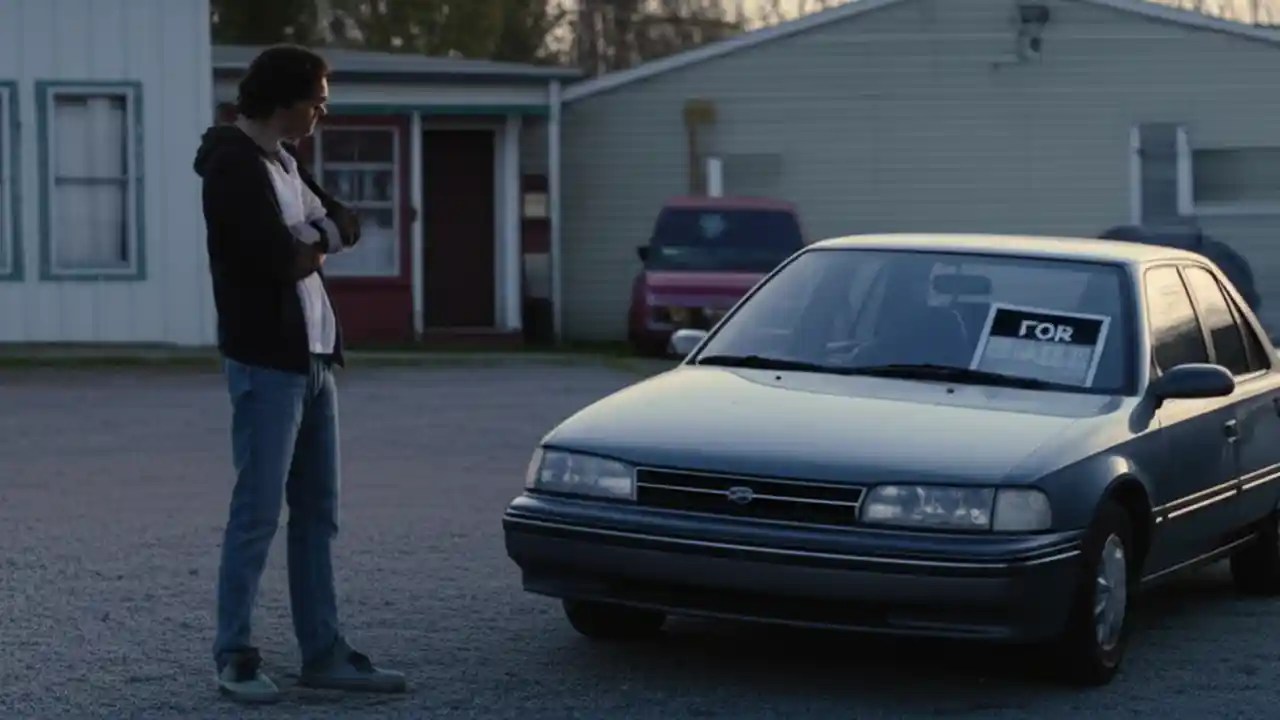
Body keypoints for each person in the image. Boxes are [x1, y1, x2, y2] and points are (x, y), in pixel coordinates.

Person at [193, 44, 405, 703]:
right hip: (266, 363)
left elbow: (345, 223)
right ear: (282, 99)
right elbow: (284, 260)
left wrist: (316, 234)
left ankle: (324, 652)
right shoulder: (232, 165)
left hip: (314, 359)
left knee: (318, 514)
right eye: (317, 97)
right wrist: (317, 238)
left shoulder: (286, 162)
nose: (322, 110)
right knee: (256, 513)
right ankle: (234, 657)